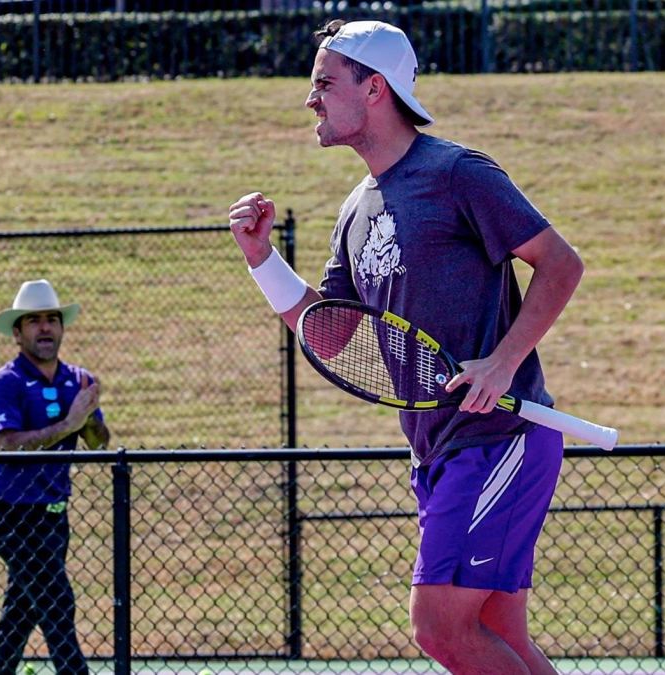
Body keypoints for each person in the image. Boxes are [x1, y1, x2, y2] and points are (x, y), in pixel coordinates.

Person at [228, 19, 584, 675]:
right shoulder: (354, 211)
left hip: (497, 437)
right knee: (492, 630)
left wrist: (503, 360)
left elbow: (561, 264)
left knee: (440, 628)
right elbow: (328, 333)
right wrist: (260, 259)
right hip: (443, 451)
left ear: (374, 90)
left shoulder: (457, 172)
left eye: (324, 83)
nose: (311, 98)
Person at [0, 278, 109, 675]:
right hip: (14, 516)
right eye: (33, 321)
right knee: (57, 603)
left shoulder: (77, 379)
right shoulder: (5, 383)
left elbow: (99, 442)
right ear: (17, 334)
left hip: (54, 516)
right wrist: (70, 423)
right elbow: (7, 444)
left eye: (52, 319)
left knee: (19, 616)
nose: (45, 328)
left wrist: (88, 418)